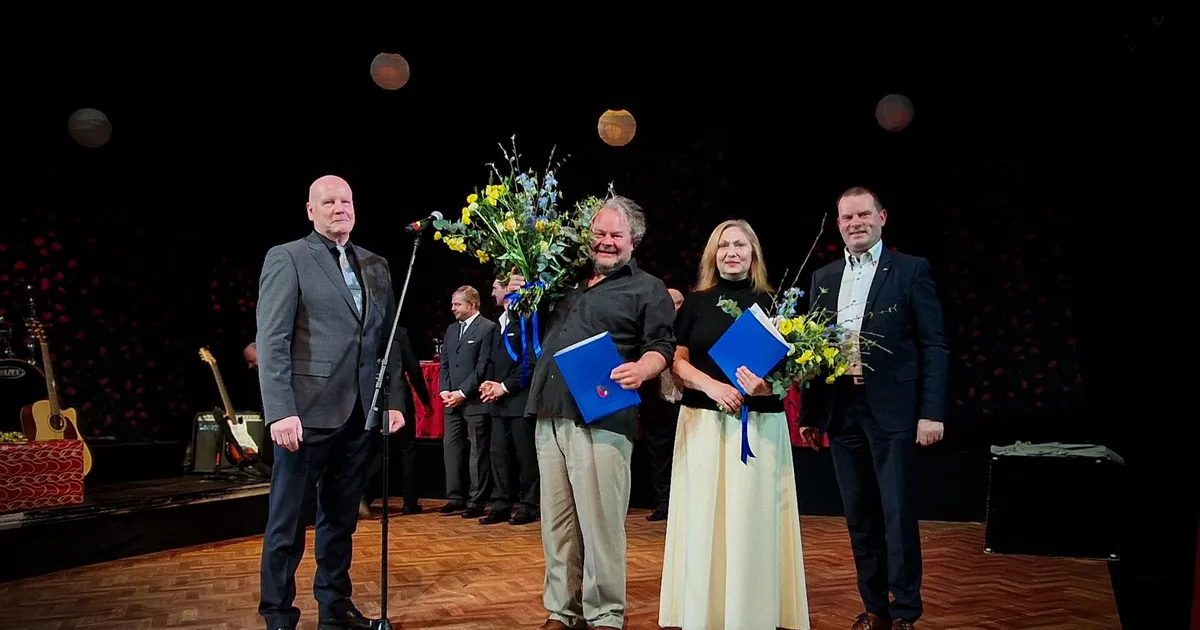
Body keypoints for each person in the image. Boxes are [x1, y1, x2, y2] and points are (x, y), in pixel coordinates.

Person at [256, 175, 408, 630]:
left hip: (361, 413)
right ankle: (278, 614)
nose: (339, 207)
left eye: (346, 200)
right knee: (287, 524)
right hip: (306, 413)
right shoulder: (288, 257)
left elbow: (388, 338)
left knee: (341, 521)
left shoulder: (375, 264)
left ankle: (335, 607)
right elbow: (273, 337)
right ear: (310, 210)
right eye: (328, 201)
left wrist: (393, 400)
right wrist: (280, 409)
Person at [799, 186, 948, 630]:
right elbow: (812, 350)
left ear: (882, 217)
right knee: (860, 515)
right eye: (846, 217)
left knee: (898, 514)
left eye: (863, 214)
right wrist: (810, 413)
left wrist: (932, 411)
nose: (855, 223)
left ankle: (904, 612)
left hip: (895, 409)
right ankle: (875, 609)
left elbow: (934, 345)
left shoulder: (910, 270)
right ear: (838, 224)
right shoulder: (823, 278)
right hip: (842, 409)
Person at [525, 196, 676, 630]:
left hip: (601, 417)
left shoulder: (647, 287)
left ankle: (606, 613)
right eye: (599, 234)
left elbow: (661, 345)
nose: (606, 242)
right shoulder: (566, 280)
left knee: (601, 526)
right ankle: (562, 609)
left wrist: (644, 368)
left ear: (634, 240)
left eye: (616, 235)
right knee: (557, 526)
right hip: (549, 413)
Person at [658, 219, 810, 630]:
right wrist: (712, 387)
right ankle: (704, 613)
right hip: (703, 422)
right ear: (713, 254)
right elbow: (678, 362)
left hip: (759, 427)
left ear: (753, 253)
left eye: (739, 245)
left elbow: (794, 370)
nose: (731, 252)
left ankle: (753, 613)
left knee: (753, 522)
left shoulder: (775, 303)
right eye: (723, 246)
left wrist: (766, 385)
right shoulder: (696, 302)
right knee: (704, 521)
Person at [478, 272, 540, 525]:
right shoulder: (497, 325)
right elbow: (491, 360)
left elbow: (530, 361)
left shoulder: (525, 321)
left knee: (525, 457)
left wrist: (505, 386)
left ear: (509, 289)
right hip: (498, 403)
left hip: (519, 401)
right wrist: (489, 385)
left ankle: (528, 505)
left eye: (496, 288)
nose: (492, 293)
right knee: (499, 455)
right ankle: (501, 503)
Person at [438, 285, 497, 518]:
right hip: (451, 401)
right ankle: (454, 497)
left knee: (477, 452)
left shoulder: (488, 328)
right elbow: (444, 363)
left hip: (474, 401)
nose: (452, 308)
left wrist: (462, 392)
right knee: (451, 448)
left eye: (457, 304)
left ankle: (477, 500)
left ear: (472, 305)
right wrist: (444, 390)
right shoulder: (452, 330)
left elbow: (483, 367)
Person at [361, 326, 431, 517]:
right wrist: (425, 399)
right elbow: (413, 368)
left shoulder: (363, 329)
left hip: (368, 398)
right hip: (397, 399)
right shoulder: (398, 333)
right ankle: (410, 502)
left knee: (377, 450)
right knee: (407, 450)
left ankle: (363, 494)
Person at [640, 287, 685, 521]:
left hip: (686, 402)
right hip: (657, 403)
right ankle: (663, 504)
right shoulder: (651, 329)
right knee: (658, 455)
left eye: (675, 303)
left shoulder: (688, 331)